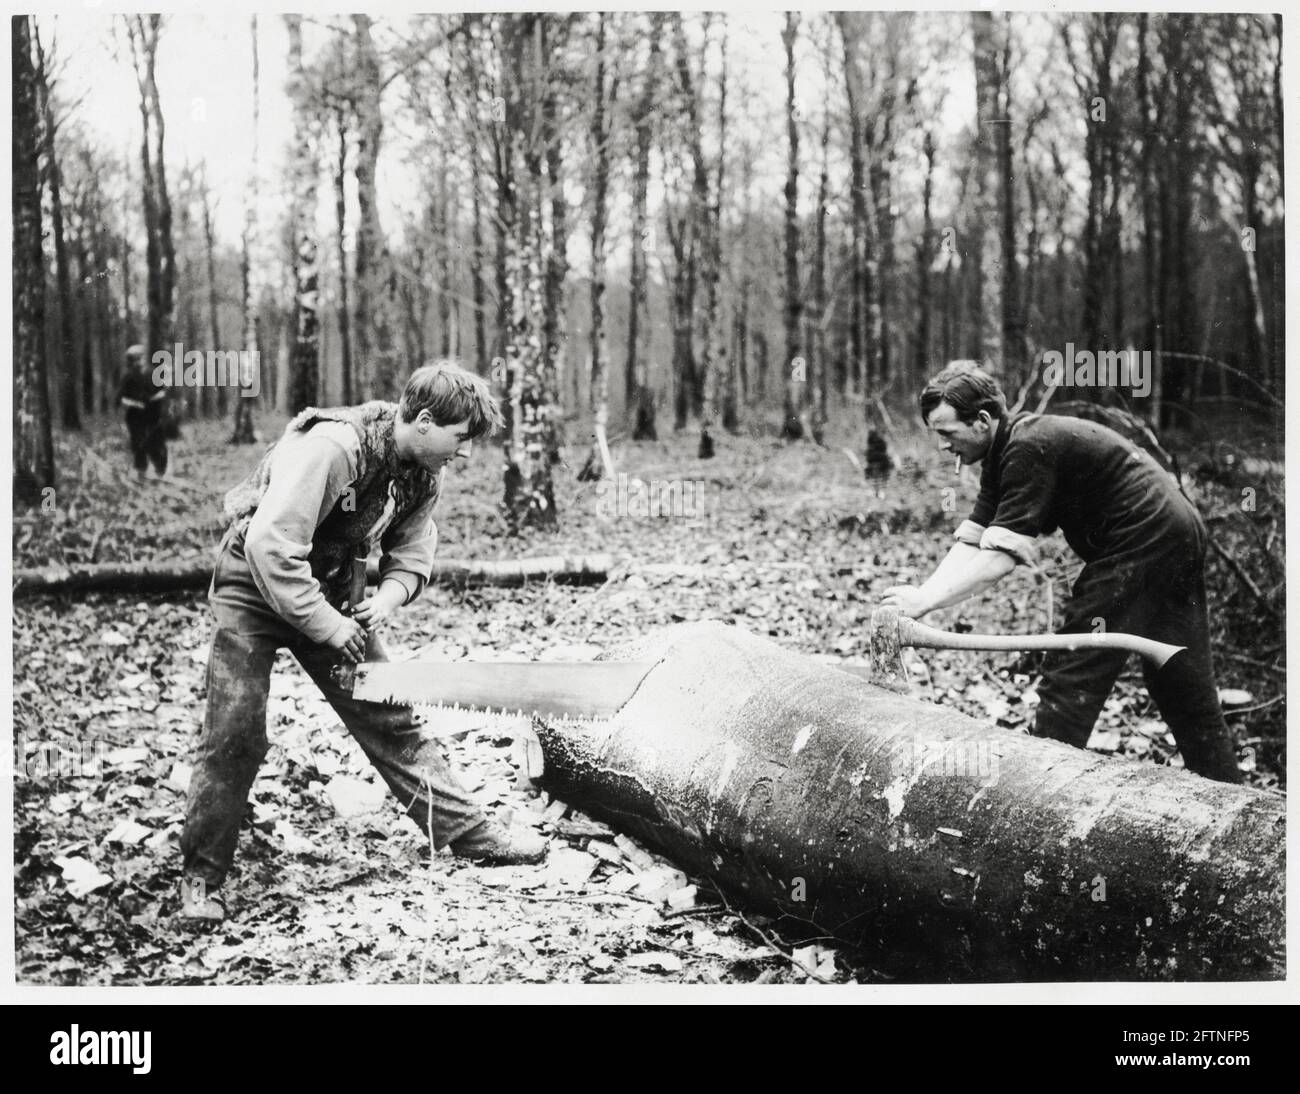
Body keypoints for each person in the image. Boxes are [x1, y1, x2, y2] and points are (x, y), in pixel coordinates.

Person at [179, 361, 547, 923]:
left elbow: (413, 550)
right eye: (460, 438)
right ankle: (201, 879)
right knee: (236, 730)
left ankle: (468, 833)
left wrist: (388, 596)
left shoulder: (423, 470)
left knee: (388, 711)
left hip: (327, 588)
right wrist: (330, 626)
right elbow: (270, 546)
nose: (466, 452)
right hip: (253, 587)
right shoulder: (334, 447)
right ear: (424, 421)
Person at [882, 363, 1241, 784]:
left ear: (981, 421)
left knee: (1075, 668)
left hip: (1145, 536)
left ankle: (1036, 796)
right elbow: (974, 540)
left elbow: (1000, 559)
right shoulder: (1005, 451)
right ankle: (1227, 791)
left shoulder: (1026, 448)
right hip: (1178, 530)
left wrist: (925, 602)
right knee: (1180, 678)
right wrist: (922, 597)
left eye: (946, 433)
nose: (942, 446)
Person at [118, 344, 169, 480]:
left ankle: (160, 473)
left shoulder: (153, 374)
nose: (137, 362)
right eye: (133, 360)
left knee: (156, 444)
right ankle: (142, 473)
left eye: (139, 358)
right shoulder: (128, 378)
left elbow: (162, 392)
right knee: (138, 444)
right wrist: (136, 404)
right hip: (135, 417)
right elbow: (123, 399)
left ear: (144, 358)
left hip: (153, 416)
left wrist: (154, 398)